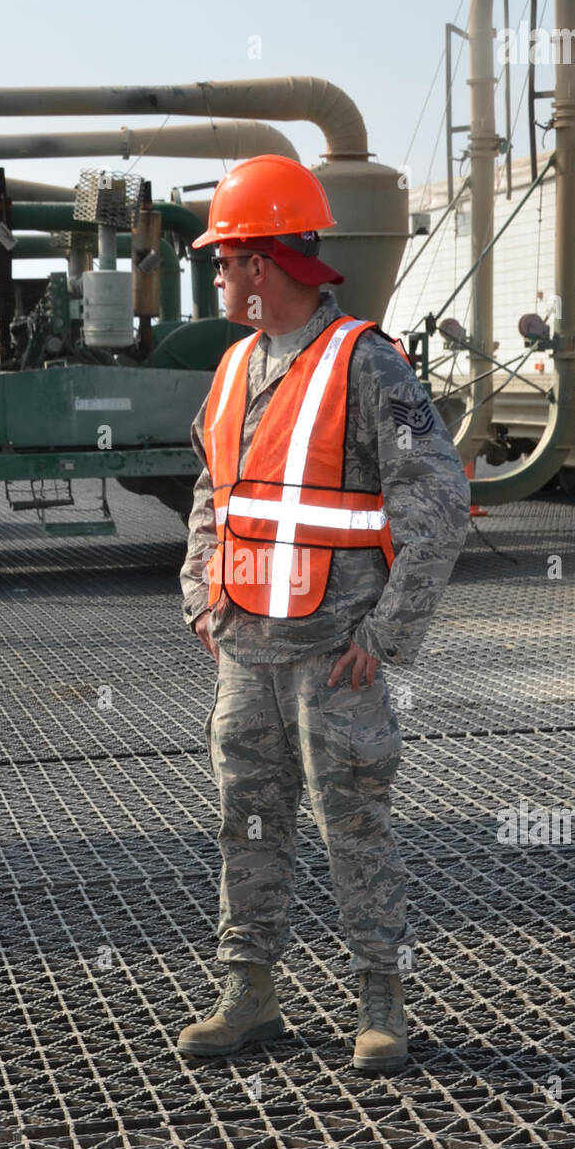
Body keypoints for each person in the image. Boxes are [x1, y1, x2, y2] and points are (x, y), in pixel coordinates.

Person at [177, 154, 470, 1072]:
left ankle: (382, 1003)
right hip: (245, 651)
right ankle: (248, 992)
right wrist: (199, 587)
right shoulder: (232, 367)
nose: (218, 274)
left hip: (334, 657)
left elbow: (440, 504)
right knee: (248, 823)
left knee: (355, 825)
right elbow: (212, 490)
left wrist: (385, 638)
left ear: (263, 265)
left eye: (225, 259)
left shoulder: (367, 364)